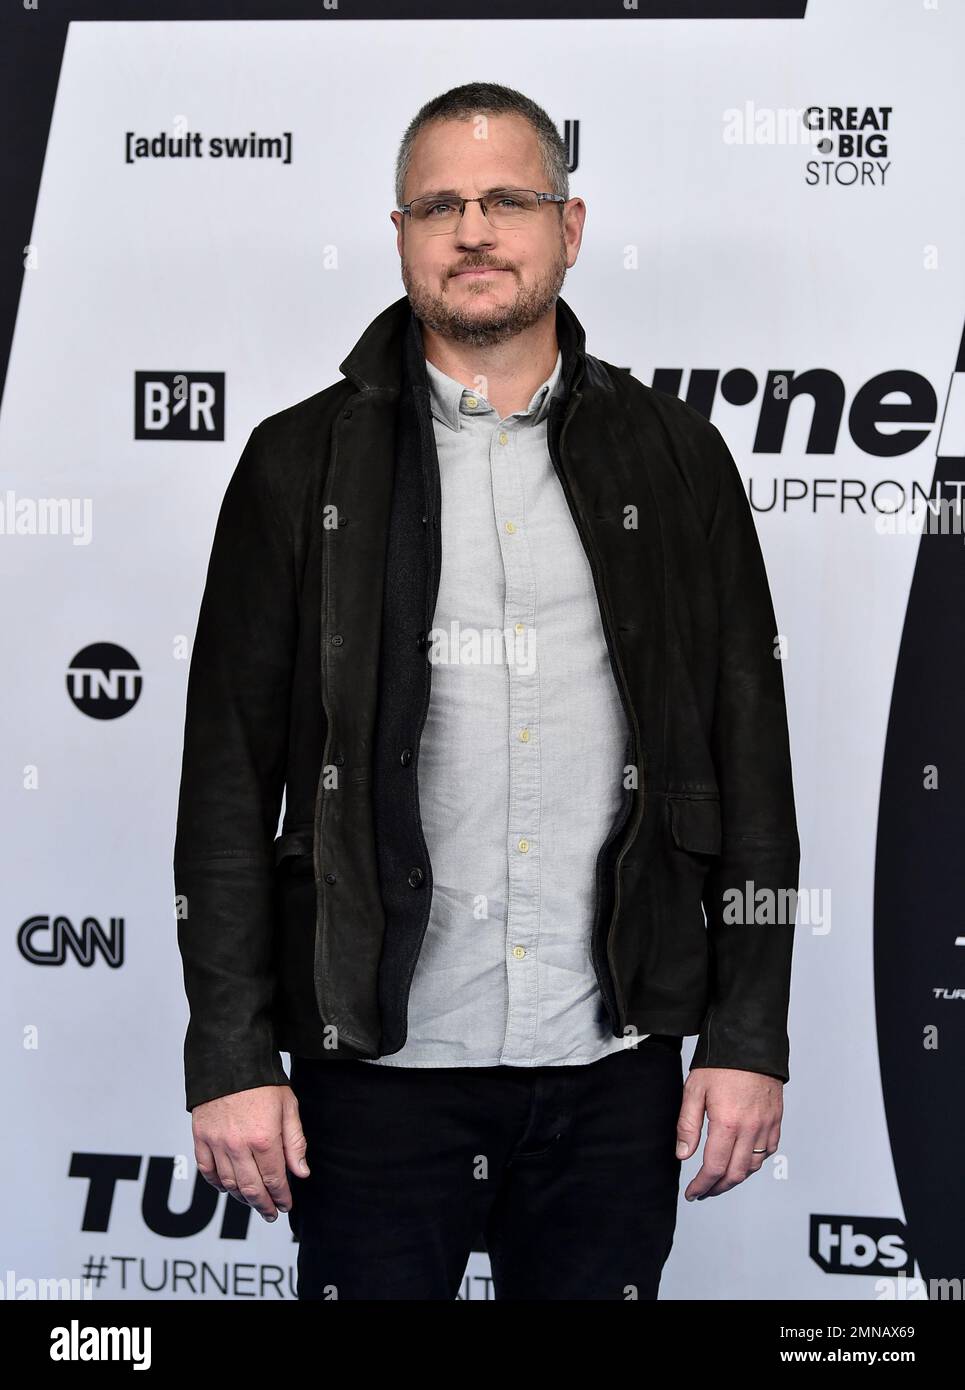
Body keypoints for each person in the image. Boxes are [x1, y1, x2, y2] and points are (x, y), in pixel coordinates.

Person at [173, 82, 800, 1301]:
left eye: (508, 199)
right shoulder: (299, 463)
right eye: (439, 205)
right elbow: (225, 789)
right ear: (400, 232)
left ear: (567, 226)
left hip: (611, 1067)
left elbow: (748, 757)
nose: (474, 230)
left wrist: (747, 1034)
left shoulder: (675, 458)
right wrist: (230, 1056)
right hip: (373, 1073)